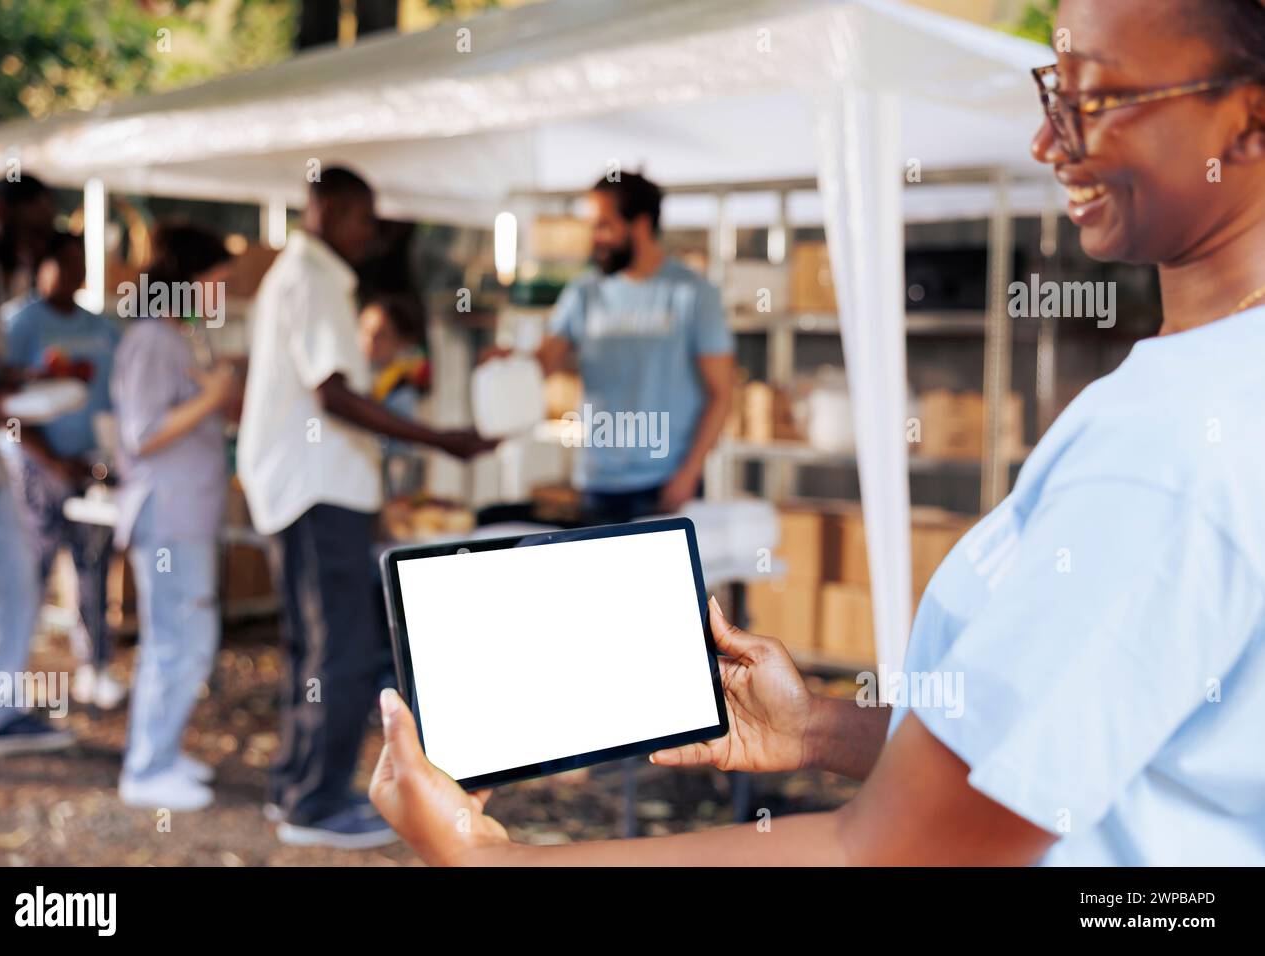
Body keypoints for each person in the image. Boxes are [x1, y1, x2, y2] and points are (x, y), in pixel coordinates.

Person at [367, 0, 1265, 865]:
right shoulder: (1204, 396)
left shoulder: (1167, 450)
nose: (1047, 141)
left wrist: (490, 860)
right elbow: (1053, 754)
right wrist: (816, 727)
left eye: (1095, 99)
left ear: (1248, 118)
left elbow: (885, 852)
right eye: (1050, 93)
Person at [236, 166, 494, 848]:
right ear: (326, 210)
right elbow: (335, 394)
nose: (370, 233)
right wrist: (440, 439)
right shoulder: (315, 278)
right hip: (320, 490)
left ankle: (294, 787)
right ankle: (316, 805)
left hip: (295, 490)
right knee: (342, 653)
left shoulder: (299, 274)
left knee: (309, 649)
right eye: (361, 218)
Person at [486, 172, 735, 524]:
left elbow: (721, 394)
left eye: (604, 226)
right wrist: (509, 362)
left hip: (666, 484)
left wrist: (688, 475)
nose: (594, 239)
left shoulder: (693, 294)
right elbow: (542, 364)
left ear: (641, 224)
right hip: (598, 482)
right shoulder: (584, 294)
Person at [111, 223, 240, 811]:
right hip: (166, 516)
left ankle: (161, 751)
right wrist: (213, 398)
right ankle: (146, 767)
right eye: (215, 279)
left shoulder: (176, 334)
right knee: (174, 641)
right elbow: (143, 434)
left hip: (185, 515)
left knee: (189, 638)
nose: (221, 290)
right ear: (189, 279)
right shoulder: (152, 338)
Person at [0, 174, 74, 755]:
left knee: (13, 583)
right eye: (32, 230)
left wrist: (30, 383)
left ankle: (0, 714)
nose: (38, 246)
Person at [4, 232, 125, 710]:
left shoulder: (100, 327)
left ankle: (95, 668)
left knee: (93, 567)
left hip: (88, 468)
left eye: (82, 263)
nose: (77, 273)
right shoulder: (21, 323)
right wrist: (52, 460)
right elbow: (6, 406)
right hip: (37, 469)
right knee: (29, 572)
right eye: (66, 263)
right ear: (43, 267)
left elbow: (113, 395)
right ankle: (12, 678)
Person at [358, 295, 431, 498]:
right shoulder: (354, 382)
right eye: (363, 331)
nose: (369, 342)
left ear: (401, 342)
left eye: (380, 335)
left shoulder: (401, 392)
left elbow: (401, 456)